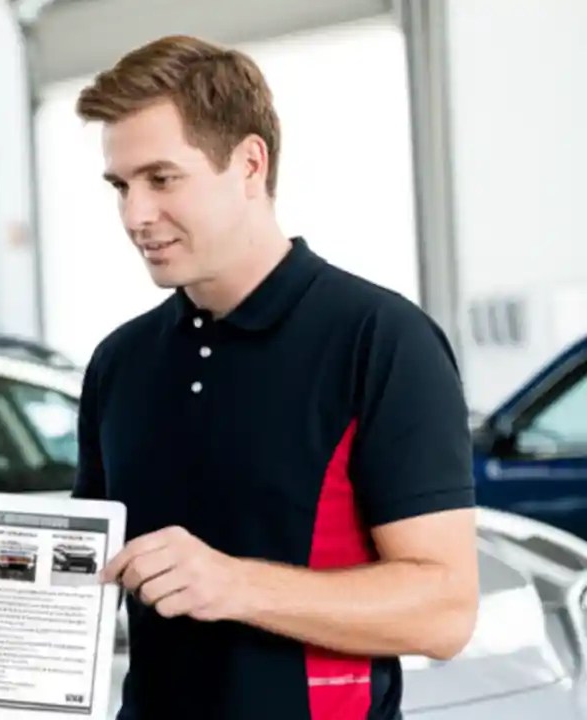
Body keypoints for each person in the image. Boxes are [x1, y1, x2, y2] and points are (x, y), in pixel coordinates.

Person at [72, 35, 479, 719]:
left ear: (249, 163)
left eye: (161, 179)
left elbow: (445, 612)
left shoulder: (380, 339)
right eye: (121, 186)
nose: (135, 215)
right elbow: (87, 579)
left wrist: (236, 585)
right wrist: (1, 649)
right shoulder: (120, 361)